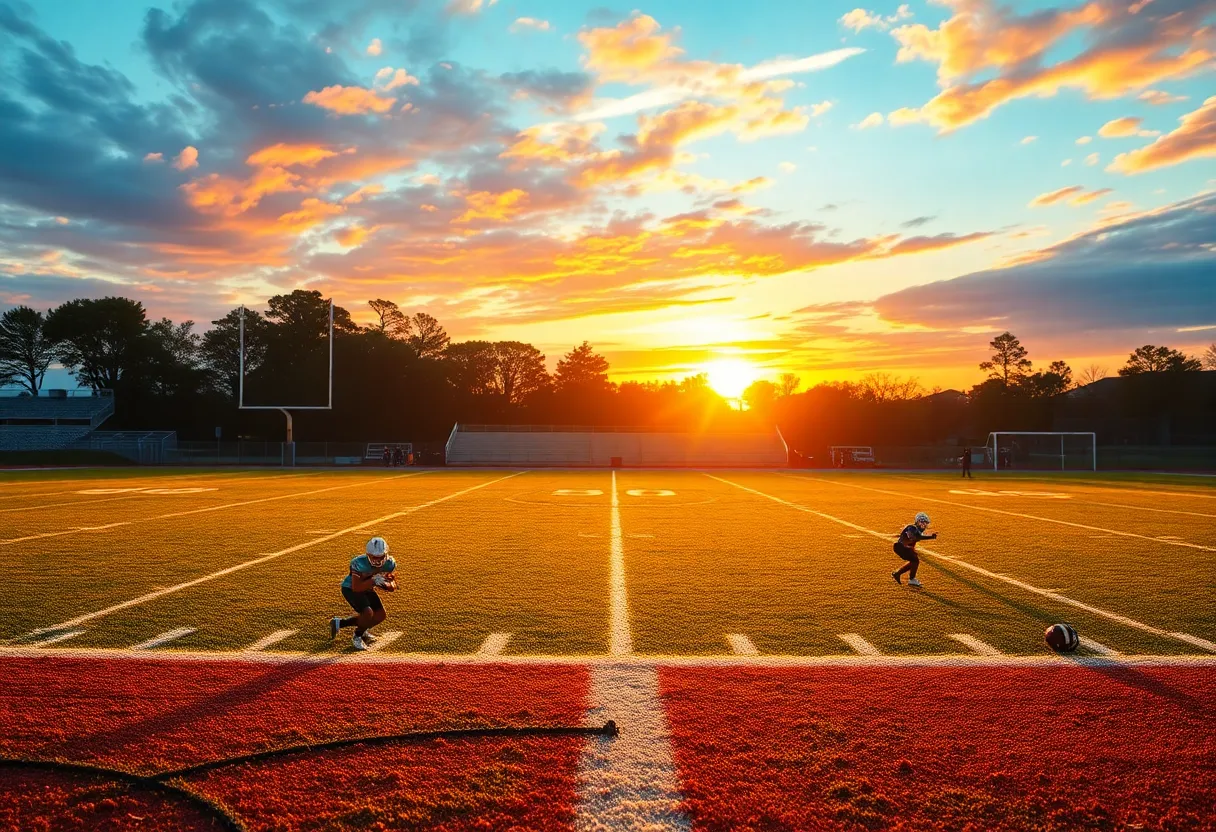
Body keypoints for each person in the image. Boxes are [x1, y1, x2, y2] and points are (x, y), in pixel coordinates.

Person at [330, 536, 397, 651]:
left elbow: (393, 584)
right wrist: (374, 580)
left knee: (380, 615)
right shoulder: (358, 563)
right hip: (350, 588)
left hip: (367, 589)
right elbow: (356, 587)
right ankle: (357, 637)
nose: (377, 561)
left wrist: (387, 585)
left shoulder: (390, 563)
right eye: (374, 557)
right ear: (368, 555)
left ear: (386, 554)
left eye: (380, 557)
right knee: (368, 613)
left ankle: (339, 623)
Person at [892, 512, 936, 588]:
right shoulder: (912, 527)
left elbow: (915, 539)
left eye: (925, 523)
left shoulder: (916, 530)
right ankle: (911, 579)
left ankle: (898, 573)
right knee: (915, 561)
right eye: (921, 522)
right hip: (900, 547)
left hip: (904, 548)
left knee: (914, 561)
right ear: (917, 522)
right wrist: (930, 537)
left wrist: (912, 549)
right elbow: (914, 537)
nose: (923, 525)